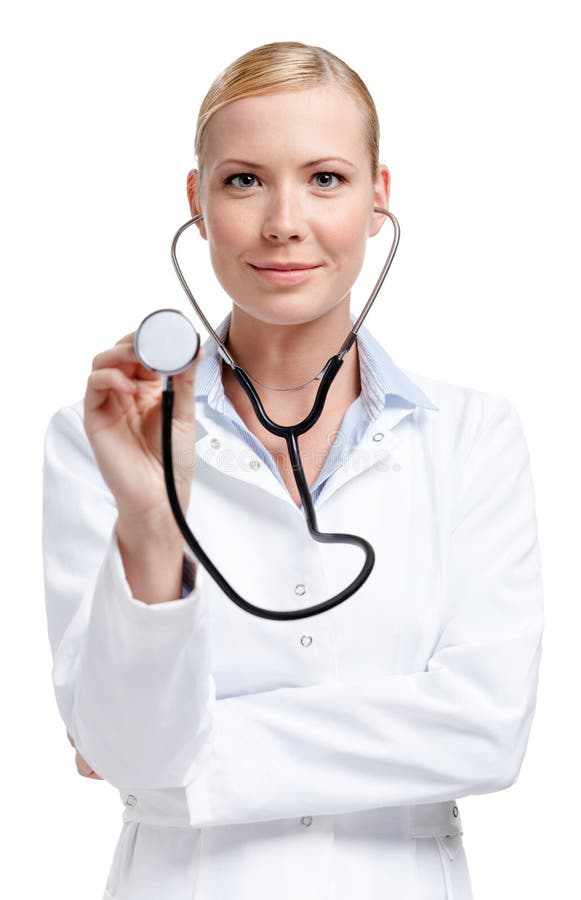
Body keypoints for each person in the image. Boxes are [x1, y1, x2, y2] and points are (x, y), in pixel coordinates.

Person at [42, 40, 544, 900]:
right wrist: (152, 523)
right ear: (196, 202)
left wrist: (181, 760)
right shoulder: (102, 436)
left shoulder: (472, 438)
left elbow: (485, 732)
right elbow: (128, 748)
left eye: (324, 178)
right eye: (242, 180)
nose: (283, 220)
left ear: (377, 199)